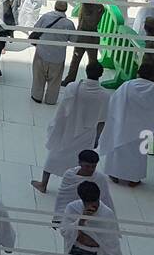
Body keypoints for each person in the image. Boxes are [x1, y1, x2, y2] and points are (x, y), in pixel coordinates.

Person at [99, 63, 154, 186]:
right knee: (139, 153)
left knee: (119, 150)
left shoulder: (127, 85)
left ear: (138, 73)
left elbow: (115, 101)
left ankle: (114, 174)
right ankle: (133, 179)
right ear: (153, 75)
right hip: (142, 128)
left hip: (124, 124)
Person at [31, 61, 111, 193]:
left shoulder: (73, 87)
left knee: (55, 155)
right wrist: (97, 137)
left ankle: (43, 183)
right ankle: (77, 188)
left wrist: (57, 126)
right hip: (88, 133)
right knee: (81, 162)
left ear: (86, 71)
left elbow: (63, 110)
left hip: (68, 128)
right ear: (101, 74)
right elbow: (102, 120)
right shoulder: (104, 95)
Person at [57, 180, 124, 255]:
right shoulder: (72, 208)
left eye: (95, 202)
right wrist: (81, 220)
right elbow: (65, 231)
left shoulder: (107, 214)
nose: (93, 206)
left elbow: (112, 243)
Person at [29, 0, 76, 105]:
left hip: (42, 52)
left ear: (55, 6)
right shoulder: (69, 24)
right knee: (55, 80)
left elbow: (36, 29)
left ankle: (37, 96)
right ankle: (51, 100)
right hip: (58, 57)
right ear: (66, 9)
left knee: (38, 76)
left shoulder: (46, 17)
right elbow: (74, 39)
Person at [50, 149, 114, 219]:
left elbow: (106, 199)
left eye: (93, 166)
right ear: (79, 163)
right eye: (87, 166)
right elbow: (63, 199)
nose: (91, 170)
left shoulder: (100, 178)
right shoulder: (69, 175)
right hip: (70, 213)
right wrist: (58, 216)